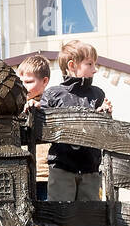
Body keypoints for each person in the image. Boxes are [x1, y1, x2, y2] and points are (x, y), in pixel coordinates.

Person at [42, 40, 113, 202]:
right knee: (61, 215)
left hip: (90, 168)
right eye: (90, 64)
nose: (95, 70)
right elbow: (42, 124)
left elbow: (106, 131)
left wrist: (105, 116)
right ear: (72, 65)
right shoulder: (53, 94)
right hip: (62, 166)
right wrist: (34, 108)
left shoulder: (97, 94)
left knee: (89, 217)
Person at [16, 54, 52, 201]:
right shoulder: (17, 105)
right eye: (21, 82)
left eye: (29, 82)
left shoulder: (50, 102)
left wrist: (39, 108)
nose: (24, 86)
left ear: (44, 81)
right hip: (24, 170)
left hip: (45, 172)